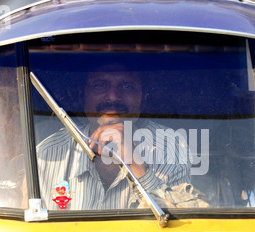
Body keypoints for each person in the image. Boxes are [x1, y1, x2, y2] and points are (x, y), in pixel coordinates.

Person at [36, 63, 202, 210]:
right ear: (82, 95)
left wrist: (134, 163)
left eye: (127, 86)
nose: (113, 97)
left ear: (143, 98)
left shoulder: (170, 149)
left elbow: (180, 227)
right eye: (101, 85)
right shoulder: (48, 154)